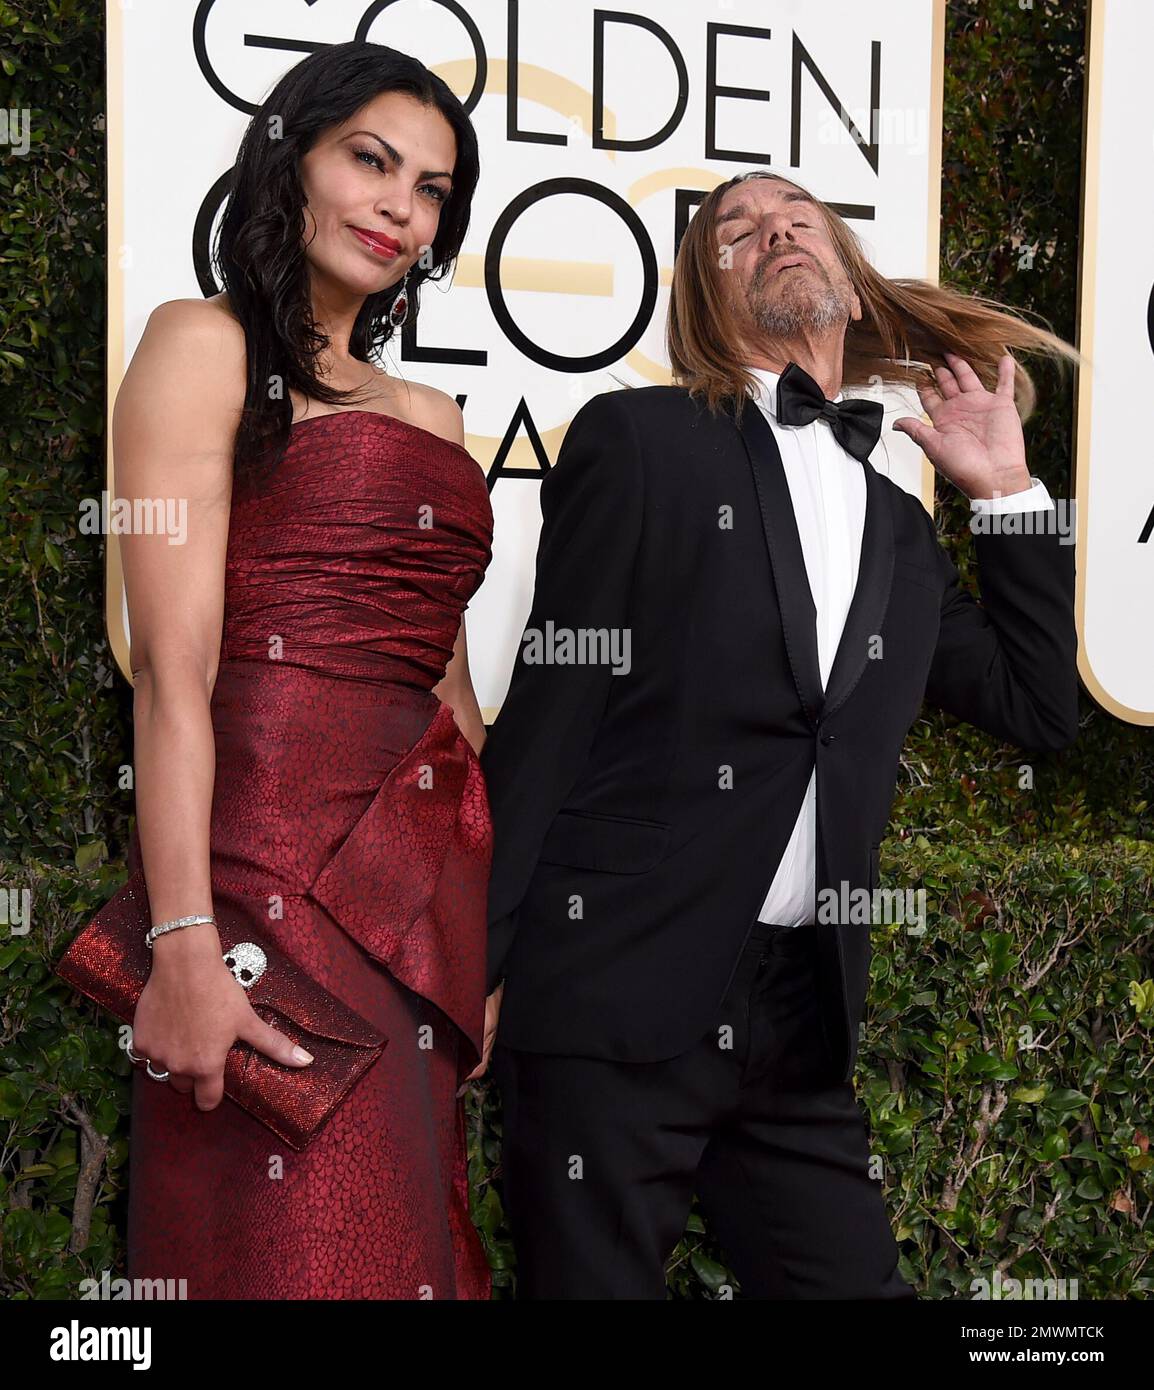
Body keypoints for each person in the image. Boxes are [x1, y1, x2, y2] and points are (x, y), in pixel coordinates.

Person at [480, 170, 1081, 1299]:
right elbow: (552, 709)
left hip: (799, 1014)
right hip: (614, 982)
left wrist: (1004, 491)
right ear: (706, 305)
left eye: (801, 222)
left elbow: (1036, 705)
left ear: (851, 287)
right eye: (737, 233)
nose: (775, 234)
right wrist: (475, 959)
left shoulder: (902, 533)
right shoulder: (639, 440)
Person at [108, 42, 497, 1299]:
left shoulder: (434, 417)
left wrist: (472, 950)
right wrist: (178, 946)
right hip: (255, 890)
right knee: (283, 1261)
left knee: (407, 1259)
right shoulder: (199, 345)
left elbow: (452, 702)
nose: (401, 206)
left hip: (412, 906)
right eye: (371, 161)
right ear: (290, 164)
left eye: (432, 188)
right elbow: (172, 678)